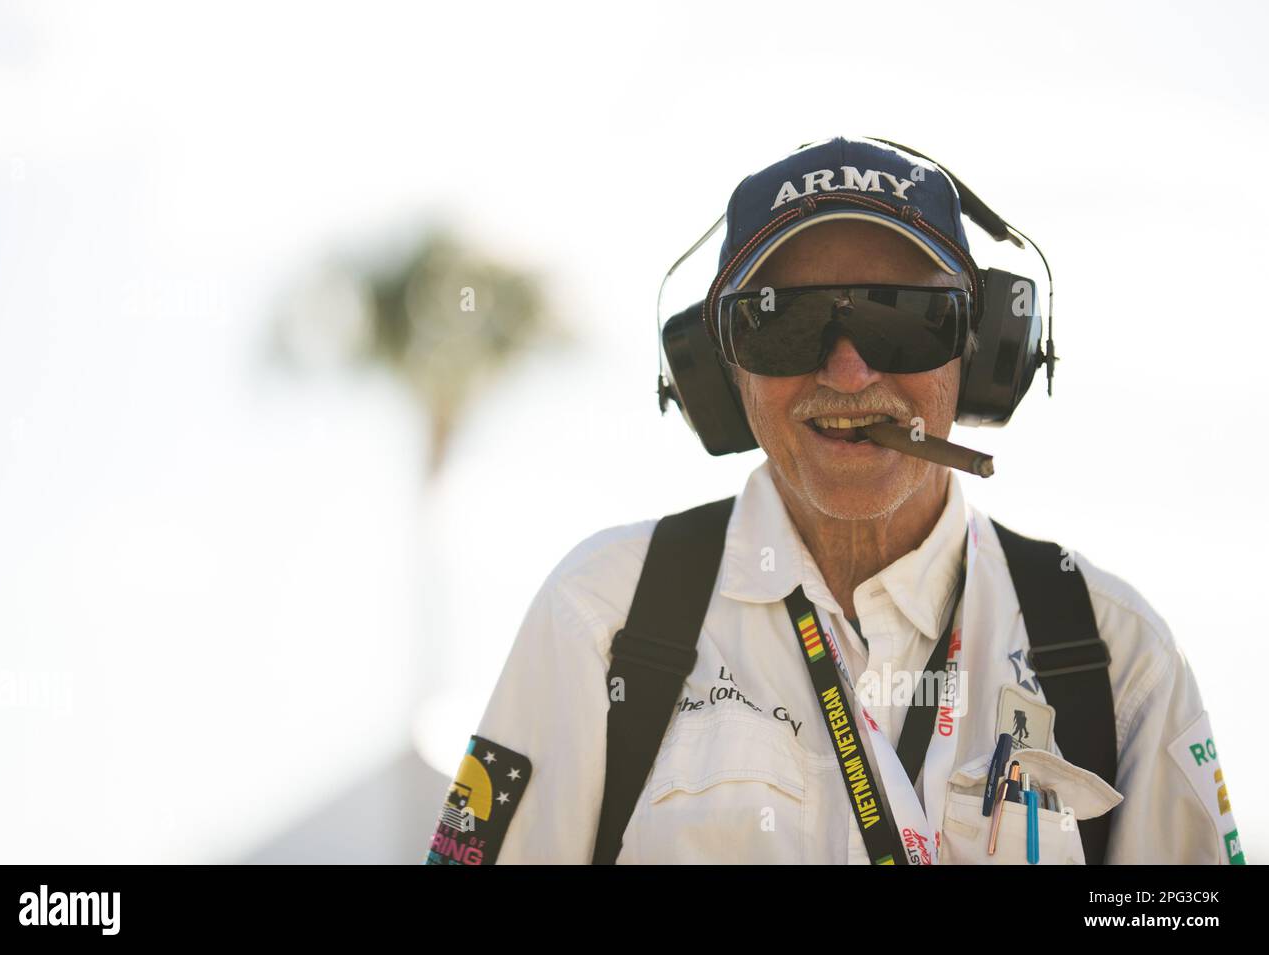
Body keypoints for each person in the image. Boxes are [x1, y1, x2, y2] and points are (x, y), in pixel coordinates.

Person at [424, 135, 1242, 865]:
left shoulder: (1118, 655)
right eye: (782, 321)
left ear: (986, 349)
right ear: (719, 372)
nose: (848, 373)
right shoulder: (601, 619)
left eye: (906, 318)